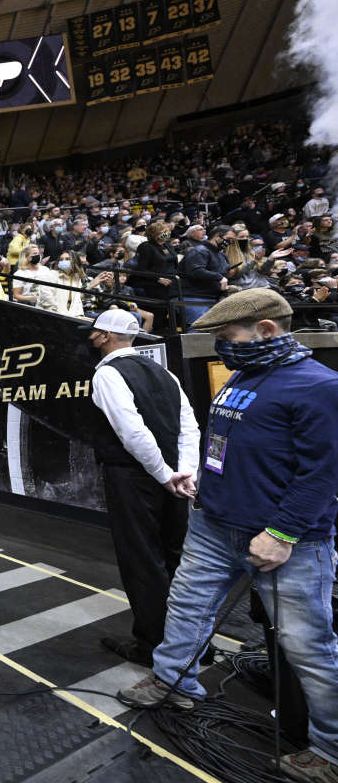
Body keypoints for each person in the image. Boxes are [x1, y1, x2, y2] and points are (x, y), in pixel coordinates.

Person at [119, 289, 338, 781]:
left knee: (309, 645)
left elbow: (323, 475)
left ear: (266, 330)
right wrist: (197, 478)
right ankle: (174, 682)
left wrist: (281, 533)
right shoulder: (243, 377)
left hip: (287, 542)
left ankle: (332, 750)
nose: (222, 348)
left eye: (227, 337)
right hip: (214, 524)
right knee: (186, 609)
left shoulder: (319, 386)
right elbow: (226, 443)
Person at [86, 310, 199, 666]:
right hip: (174, 481)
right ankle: (190, 644)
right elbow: (189, 428)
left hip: (135, 478)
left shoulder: (107, 373)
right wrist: (184, 473)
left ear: (105, 337)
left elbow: (131, 432)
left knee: (143, 561)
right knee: (175, 559)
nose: (90, 338)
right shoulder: (163, 373)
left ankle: (153, 647)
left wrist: (165, 474)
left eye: (94, 332)